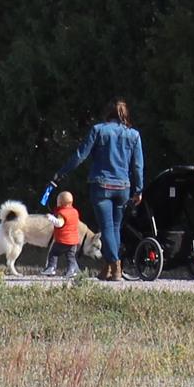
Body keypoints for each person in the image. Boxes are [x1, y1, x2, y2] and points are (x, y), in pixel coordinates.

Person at [53, 98, 144, 281]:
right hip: (123, 187)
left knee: (107, 227)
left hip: (101, 185)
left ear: (107, 113)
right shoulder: (134, 135)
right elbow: (137, 166)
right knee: (115, 227)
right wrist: (139, 189)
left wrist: (60, 174)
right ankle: (108, 269)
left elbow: (81, 155)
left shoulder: (99, 130)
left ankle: (115, 265)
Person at [45, 191, 82, 278]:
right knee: (71, 257)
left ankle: (51, 268)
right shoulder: (75, 212)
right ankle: (71, 270)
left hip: (62, 240)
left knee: (53, 253)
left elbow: (59, 223)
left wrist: (51, 218)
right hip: (73, 242)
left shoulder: (62, 213)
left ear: (61, 203)